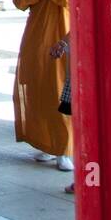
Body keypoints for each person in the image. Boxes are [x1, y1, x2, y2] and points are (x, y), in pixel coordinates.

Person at [11, 0, 72, 171]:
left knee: (58, 90)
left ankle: (64, 149)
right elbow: (19, 1)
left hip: (59, 34)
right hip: (35, 36)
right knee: (36, 89)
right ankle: (45, 143)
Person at [50, 33, 74, 194]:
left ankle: (90, 182)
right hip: (84, 75)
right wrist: (63, 42)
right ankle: (89, 182)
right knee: (89, 137)